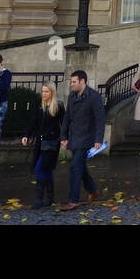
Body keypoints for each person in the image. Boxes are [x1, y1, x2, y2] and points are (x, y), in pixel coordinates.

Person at [59, 70, 106, 211]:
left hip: (87, 137)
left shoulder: (94, 97)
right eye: (71, 82)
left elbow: (100, 119)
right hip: (74, 137)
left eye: (74, 82)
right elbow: (67, 117)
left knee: (75, 166)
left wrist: (98, 139)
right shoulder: (72, 96)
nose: (71, 84)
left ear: (82, 81)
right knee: (80, 166)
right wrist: (63, 136)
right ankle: (92, 190)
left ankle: (73, 200)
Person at [22, 83, 65, 208]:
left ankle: (39, 198)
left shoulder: (58, 107)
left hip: (51, 143)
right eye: (43, 91)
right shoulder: (39, 106)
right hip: (40, 142)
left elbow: (64, 123)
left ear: (52, 92)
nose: (44, 94)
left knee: (40, 167)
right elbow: (33, 122)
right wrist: (26, 135)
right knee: (46, 169)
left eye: (47, 91)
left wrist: (64, 138)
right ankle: (50, 197)